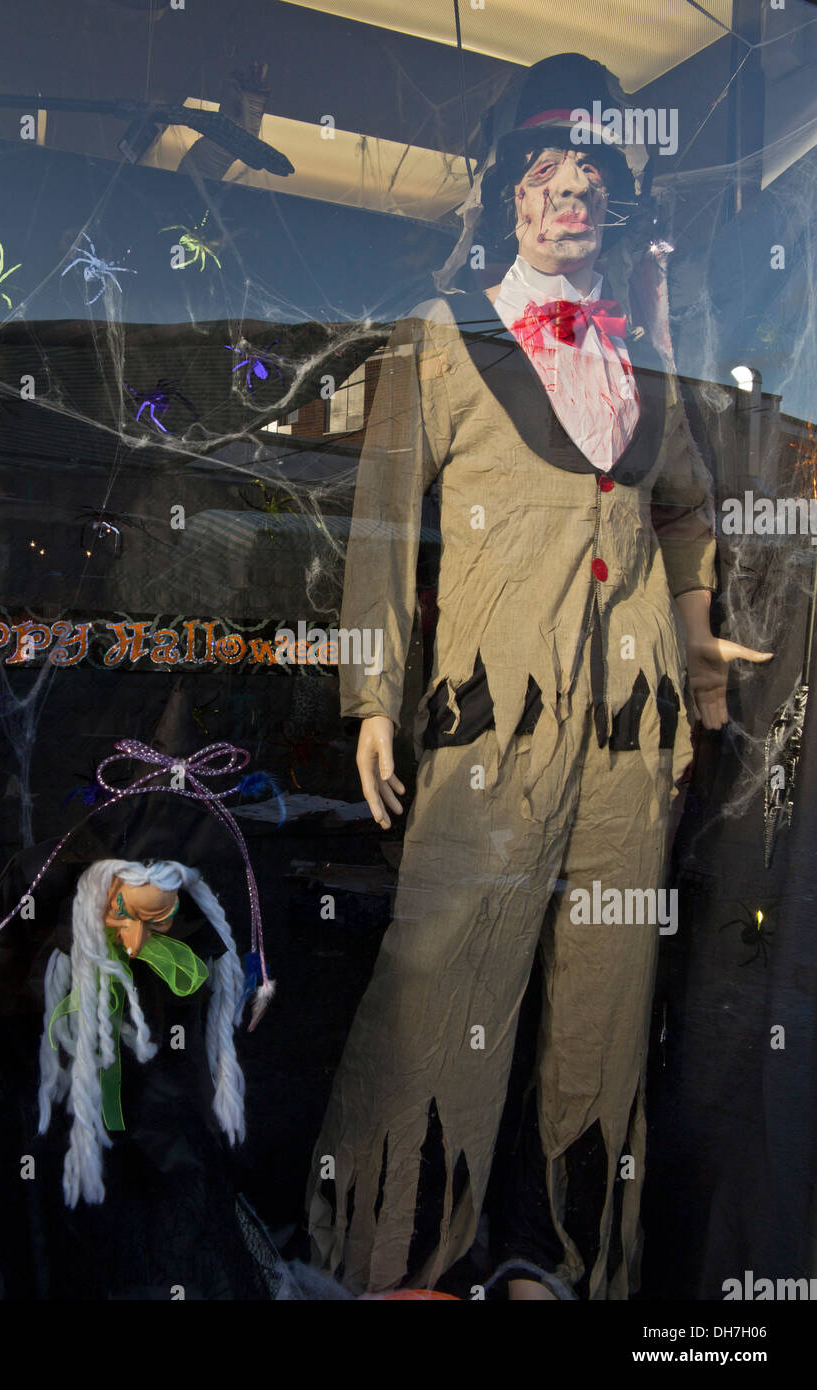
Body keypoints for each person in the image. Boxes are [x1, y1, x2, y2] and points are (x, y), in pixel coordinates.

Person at [306, 53, 771, 1300]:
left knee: (604, 1015)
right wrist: (370, 698)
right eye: (550, 170)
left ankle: (558, 1263)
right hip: (490, 726)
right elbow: (382, 529)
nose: (572, 194)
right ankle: (398, 1254)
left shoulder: (641, 355)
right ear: (509, 188)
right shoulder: (439, 341)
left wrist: (697, 632)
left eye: (595, 177)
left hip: (630, 736)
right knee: (444, 976)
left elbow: (679, 506)